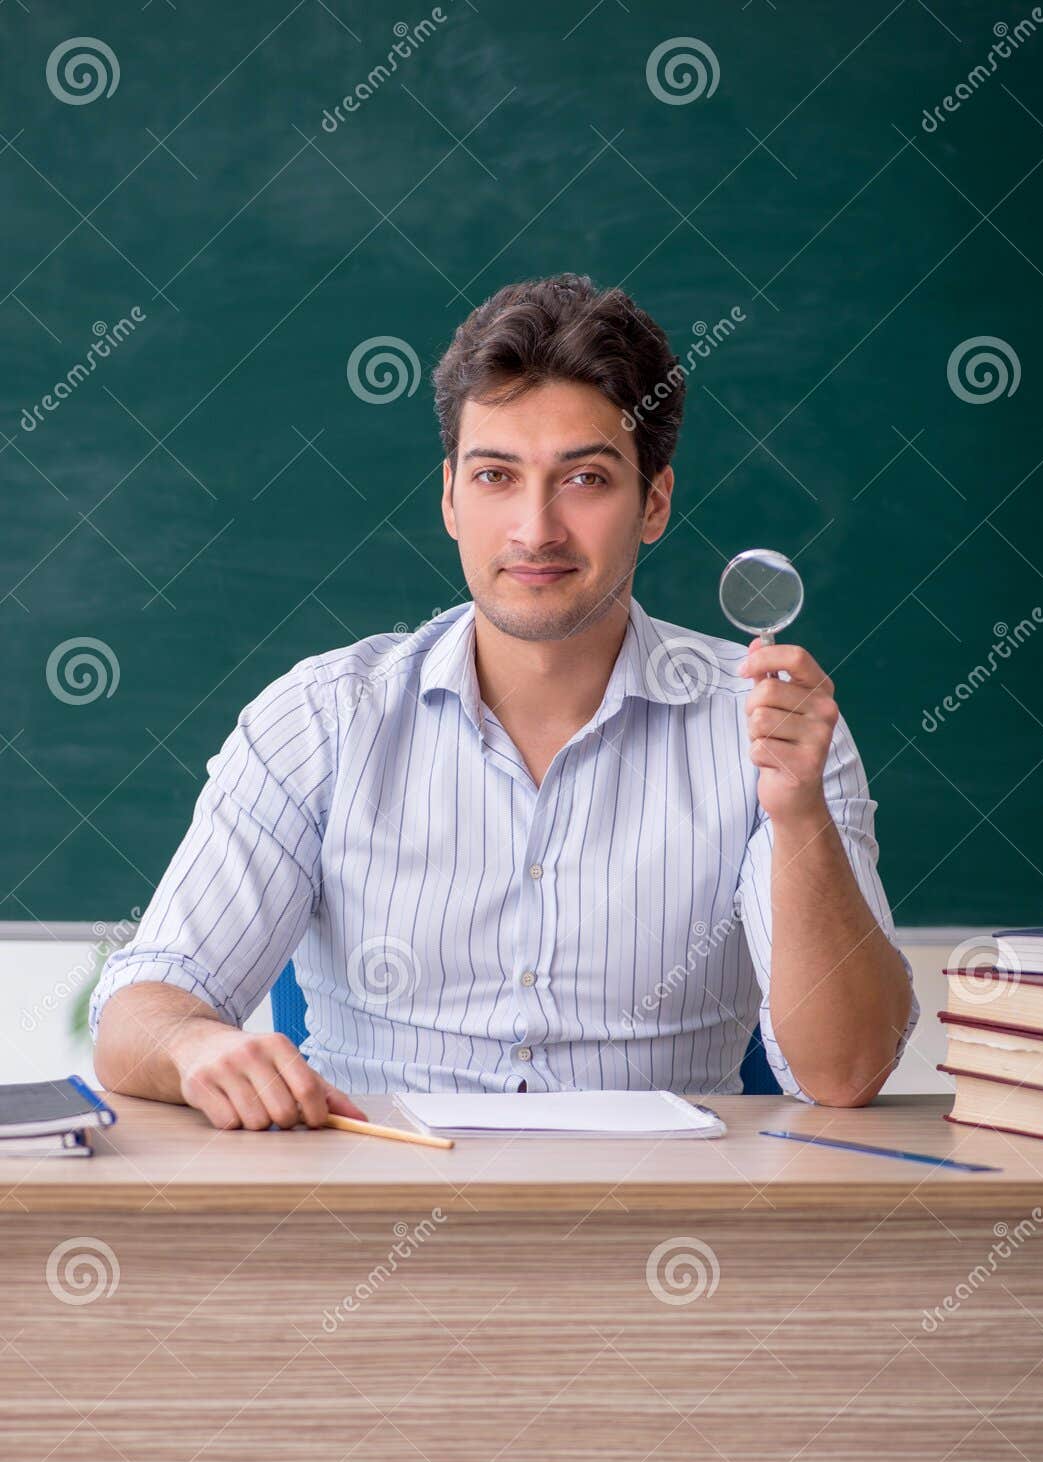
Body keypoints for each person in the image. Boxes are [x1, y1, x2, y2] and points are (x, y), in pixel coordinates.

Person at [91, 273, 918, 1129]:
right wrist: (192, 1045)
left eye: (586, 480)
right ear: (449, 497)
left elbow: (846, 1075)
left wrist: (802, 820)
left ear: (655, 502)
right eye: (495, 476)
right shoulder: (321, 720)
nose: (536, 529)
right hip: (372, 1217)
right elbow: (138, 1015)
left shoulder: (767, 725)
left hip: (662, 1224)